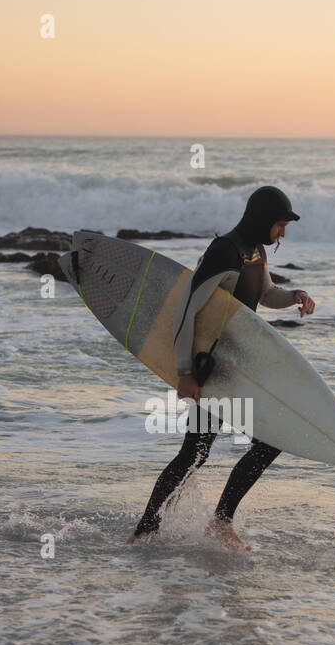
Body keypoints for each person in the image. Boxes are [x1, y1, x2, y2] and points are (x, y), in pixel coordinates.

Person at [128, 186, 316, 549]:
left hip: (239, 367)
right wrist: (185, 373)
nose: (282, 233)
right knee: (195, 453)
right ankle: (146, 529)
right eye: (279, 225)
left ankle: (219, 521)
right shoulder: (223, 252)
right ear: (262, 220)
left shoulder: (255, 251)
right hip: (209, 368)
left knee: (269, 442)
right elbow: (186, 310)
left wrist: (294, 297)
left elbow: (264, 294)